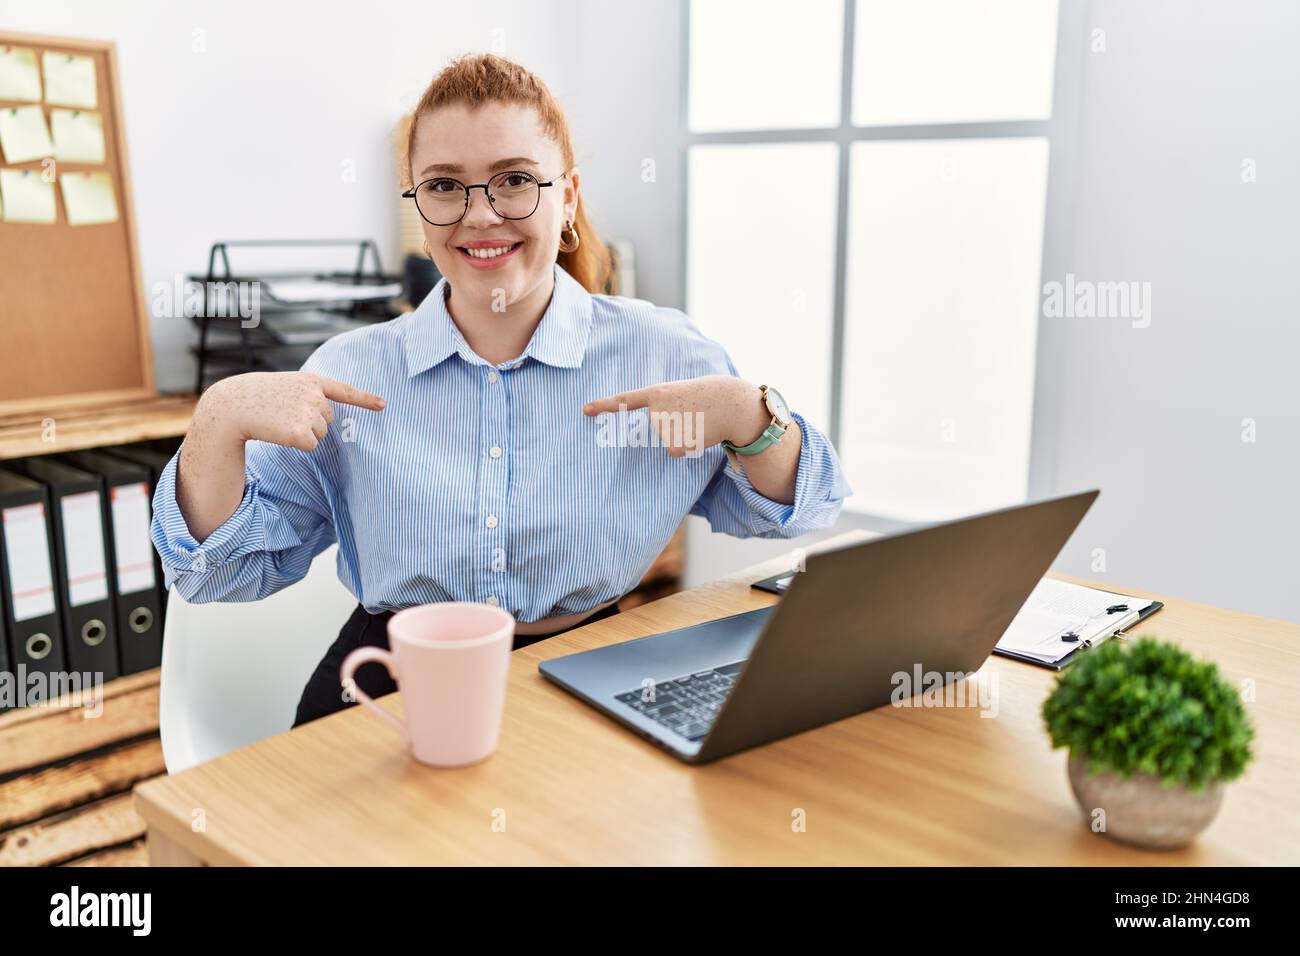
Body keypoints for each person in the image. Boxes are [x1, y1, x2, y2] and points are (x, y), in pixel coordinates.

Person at [150, 53, 853, 728]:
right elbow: (218, 574)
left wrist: (748, 413)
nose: (479, 215)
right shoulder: (347, 372)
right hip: (387, 689)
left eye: (514, 179)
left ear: (568, 195)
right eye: (445, 185)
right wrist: (216, 421)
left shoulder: (663, 352)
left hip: (584, 670)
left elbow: (801, 509)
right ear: (419, 203)